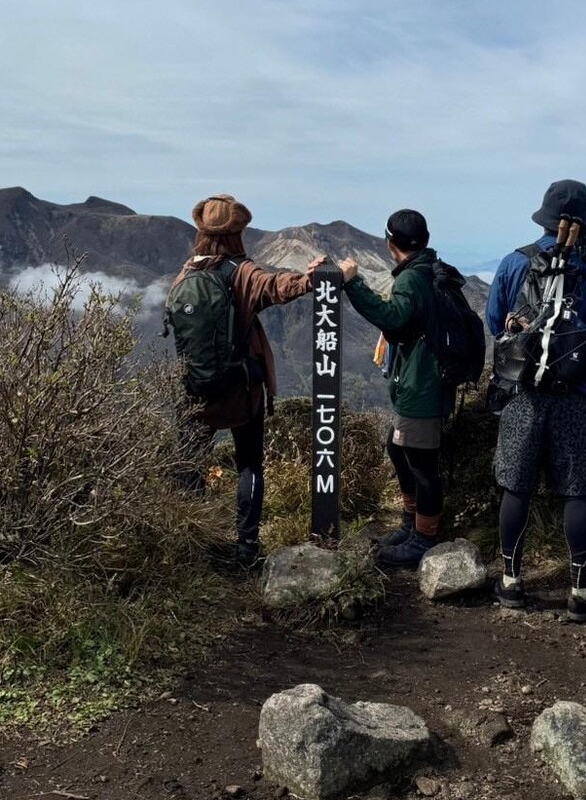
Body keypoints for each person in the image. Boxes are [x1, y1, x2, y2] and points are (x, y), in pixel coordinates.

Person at [487, 180, 586, 622]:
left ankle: (511, 582)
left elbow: (495, 321)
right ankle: (581, 591)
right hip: (575, 394)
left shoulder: (515, 263)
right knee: (574, 490)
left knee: (516, 486)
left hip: (522, 393)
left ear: (545, 217)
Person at [169, 193, 323, 568]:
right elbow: (276, 287)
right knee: (249, 463)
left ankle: (189, 541)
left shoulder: (186, 273)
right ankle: (246, 547)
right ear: (237, 232)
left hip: (195, 388)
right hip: (241, 387)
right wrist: (311, 279)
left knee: (187, 461)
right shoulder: (240, 272)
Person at [339, 209, 454, 568]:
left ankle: (423, 537)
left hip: (422, 384)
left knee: (421, 463)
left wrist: (353, 283)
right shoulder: (427, 268)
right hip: (422, 381)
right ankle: (411, 522)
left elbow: (392, 317)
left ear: (390, 243)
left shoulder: (411, 279)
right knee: (397, 446)